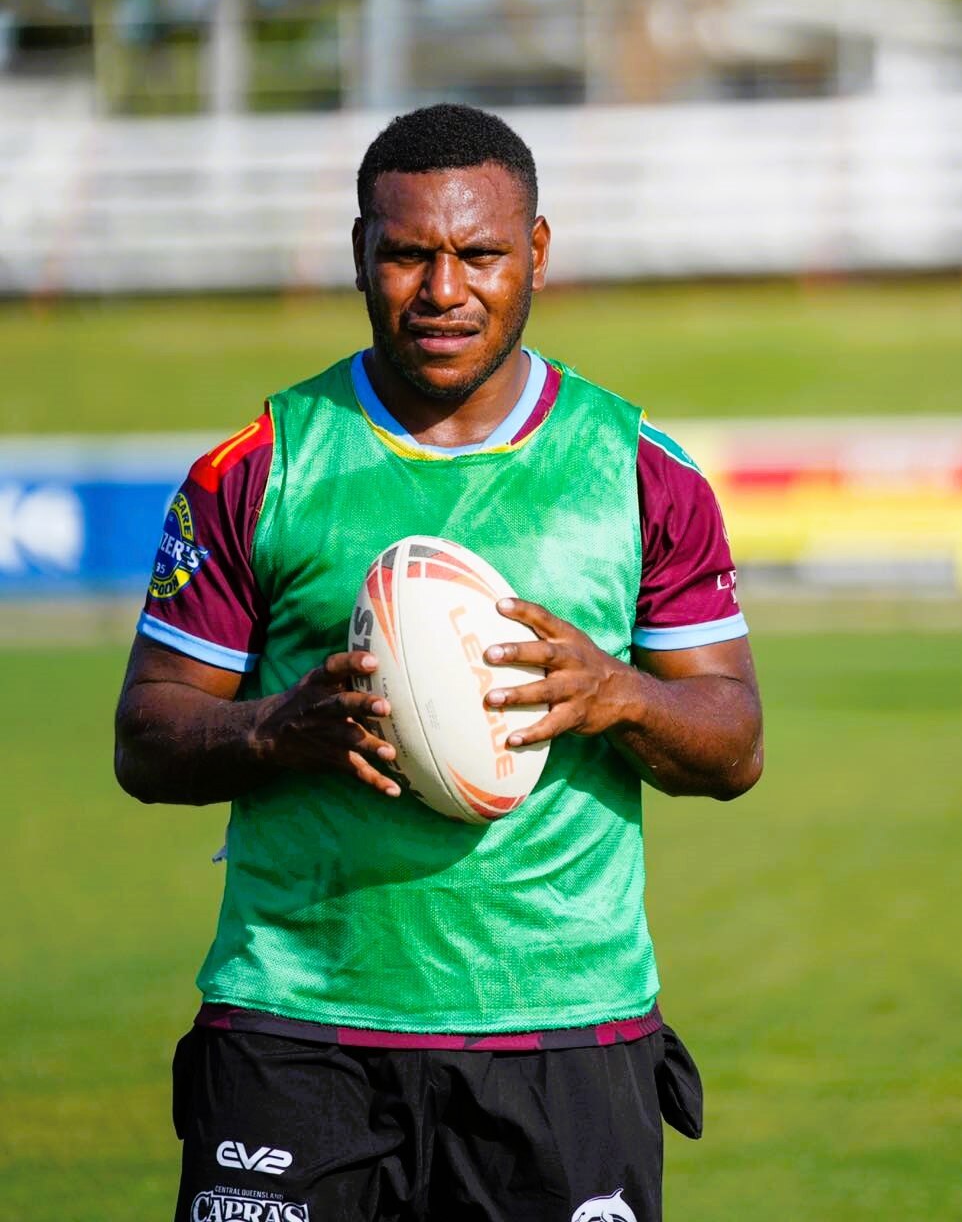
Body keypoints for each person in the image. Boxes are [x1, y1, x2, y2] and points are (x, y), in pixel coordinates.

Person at [116, 102, 763, 1222]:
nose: (445, 289)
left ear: (539, 255)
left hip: (562, 1030)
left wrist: (617, 694)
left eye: (480, 254)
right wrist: (277, 730)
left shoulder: (641, 471)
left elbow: (734, 742)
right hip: (295, 1027)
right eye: (409, 254)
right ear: (360, 254)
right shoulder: (257, 466)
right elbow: (147, 735)